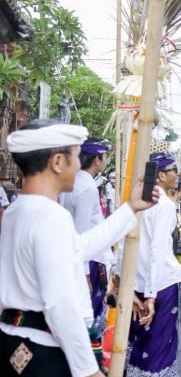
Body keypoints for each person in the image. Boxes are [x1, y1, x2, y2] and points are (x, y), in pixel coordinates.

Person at [0, 120, 156, 377]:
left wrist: (130, 208)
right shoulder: (51, 217)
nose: (78, 165)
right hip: (47, 354)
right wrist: (87, 370)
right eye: (74, 155)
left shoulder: (19, 211)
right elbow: (60, 304)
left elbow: (80, 247)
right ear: (57, 162)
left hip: (17, 345)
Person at [117, 153, 181, 377]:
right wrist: (150, 296)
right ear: (159, 175)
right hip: (158, 287)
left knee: (136, 351)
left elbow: (124, 245)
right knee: (155, 353)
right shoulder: (164, 204)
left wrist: (124, 283)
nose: (177, 174)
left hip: (137, 285)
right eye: (173, 170)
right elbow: (157, 252)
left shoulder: (135, 199)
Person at [58, 138, 113, 335]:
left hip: (78, 256)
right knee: (92, 314)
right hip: (90, 259)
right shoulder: (87, 188)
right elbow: (81, 232)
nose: (106, 160)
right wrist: (84, 274)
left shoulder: (73, 182)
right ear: (97, 159)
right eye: (105, 156)